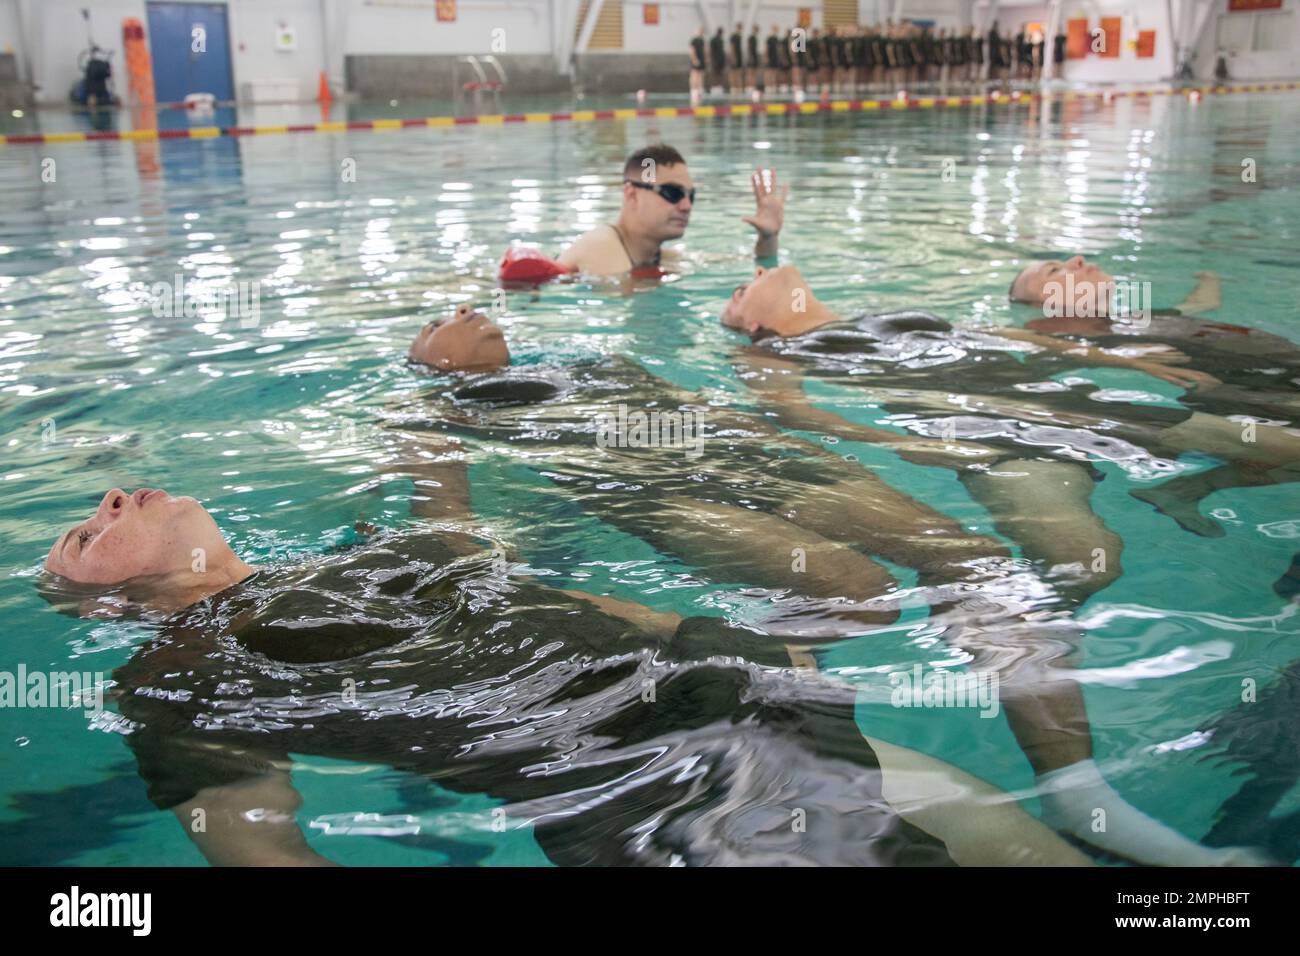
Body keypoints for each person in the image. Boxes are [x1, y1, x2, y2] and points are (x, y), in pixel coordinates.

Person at [401, 304, 1267, 867]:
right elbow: (451, 527)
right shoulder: (433, 410)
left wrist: (792, 437)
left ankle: (1080, 792)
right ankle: (789, 728)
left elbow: (694, 397)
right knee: (857, 590)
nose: (467, 309)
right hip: (649, 487)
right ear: (428, 360)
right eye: (444, 317)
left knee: (967, 555)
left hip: (752, 456)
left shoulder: (586, 354)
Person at [555, 145, 785, 277]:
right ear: (631, 194)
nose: (686, 206)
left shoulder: (659, 257)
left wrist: (768, 236)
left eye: (690, 195)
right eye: (672, 193)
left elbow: (754, 262)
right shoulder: (601, 244)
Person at [688, 27, 706, 97]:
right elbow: (692, 51)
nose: (701, 33)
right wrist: (694, 59)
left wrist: (705, 59)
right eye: (700, 31)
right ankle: (693, 90)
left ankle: (700, 89)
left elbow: (704, 50)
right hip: (696, 60)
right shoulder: (694, 40)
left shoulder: (702, 40)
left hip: (701, 60)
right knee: (694, 75)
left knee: (701, 75)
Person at [709, 27, 727, 92]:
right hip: (715, 59)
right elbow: (711, 50)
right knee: (714, 73)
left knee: (720, 73)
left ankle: (719, 86)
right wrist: (712, 59)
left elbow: (722, 51)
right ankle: (714, 86)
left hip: (720, 59)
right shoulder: (713, 40)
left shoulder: (721, 40)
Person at [729, 22, 745, 93]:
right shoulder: (734, 36)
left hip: (739, 56)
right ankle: (733, 87)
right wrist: (733, 57)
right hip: (734, 56)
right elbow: (732, 47)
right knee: (733, 73)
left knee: (738, 72)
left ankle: (739, 87)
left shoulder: (739, 36)